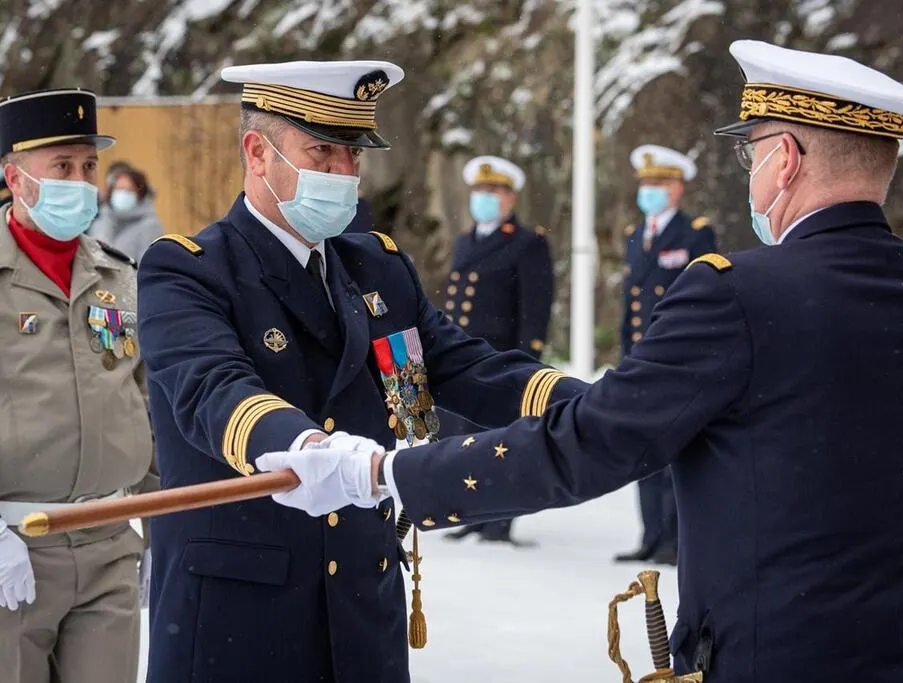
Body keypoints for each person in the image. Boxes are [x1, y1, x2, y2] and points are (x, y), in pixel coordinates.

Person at [257, 40, 903, 683]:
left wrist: (385, 474)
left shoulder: (739, 293)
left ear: (783, 158)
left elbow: (588, 446)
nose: (750, 171)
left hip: (776, 657)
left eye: (750, 150)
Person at [136, 60, 585, 683]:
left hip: (359, 601)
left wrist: (592, 403)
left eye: (354, 155)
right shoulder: (189, 270)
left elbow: (461, 366)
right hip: (240, 614)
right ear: (257, 152)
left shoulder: (376, 265)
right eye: (321, 151)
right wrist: (310, 450)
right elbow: (213, 390)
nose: (343, 174)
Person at [0, 88, 157, 683]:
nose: (81, 181)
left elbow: (144, 401)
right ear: (15, 177)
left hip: (110, 545)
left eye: (88, 166)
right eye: (61, 166)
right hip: (14, 549)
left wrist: (163, 524)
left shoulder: (117, 273)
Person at [441, 155, 554, 545]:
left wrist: (524, 364)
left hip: (500, 359)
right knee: (466, 440)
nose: (485, 198)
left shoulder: (526, 243)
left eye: (493, 192)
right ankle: (472, 512)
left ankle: (499, 520)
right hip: (464, 359)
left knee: (500, 444)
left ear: (510, 198)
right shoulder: (465, 240)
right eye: (480, 191)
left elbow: (533, 309)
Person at [616, 144, 717, 566]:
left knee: (675, 449)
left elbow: (701, 295)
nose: (651, 191)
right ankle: (651, 535)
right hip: (641, 356)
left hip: (677, 357)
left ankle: (675, 541)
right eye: (646, 184)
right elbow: (631, 302)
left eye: (659, 184)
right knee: (644, 448)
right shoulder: (635, 235)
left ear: (677, 187)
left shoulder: (696, 233)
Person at [89, 165, 165, 263]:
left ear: (140, 194)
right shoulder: (101, 223)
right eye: (119, 189)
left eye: (129, 190)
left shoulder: (149, 226)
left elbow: (148, 267)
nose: (122, 194)